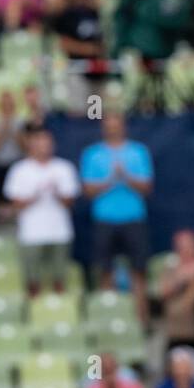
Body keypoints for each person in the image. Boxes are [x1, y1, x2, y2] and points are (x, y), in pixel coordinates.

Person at [80, 112, 153, 321]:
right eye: (109, 126)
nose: (113, 129)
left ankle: (142, 321)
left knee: (138, 272)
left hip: (133, 218)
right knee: (105, 272)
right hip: (104, 219)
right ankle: (110, 320)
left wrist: (126, 177)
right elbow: (88, 191)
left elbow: (146, 187)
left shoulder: (138, 152)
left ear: (123, 127)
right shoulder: (92, 154)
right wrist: (111, 179)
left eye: (116, 125)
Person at [3, 124, 80, 295]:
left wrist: (57, 192)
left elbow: (70, 201)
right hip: (31, 234)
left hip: (59, 232)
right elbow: (15, 203)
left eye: (46, 141)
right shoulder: (19, 170)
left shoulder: (64, 168)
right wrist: (36, 195)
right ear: (30, 143)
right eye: (38, 141)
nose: (43, 145)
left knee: (59, 280)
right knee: (32, 281)